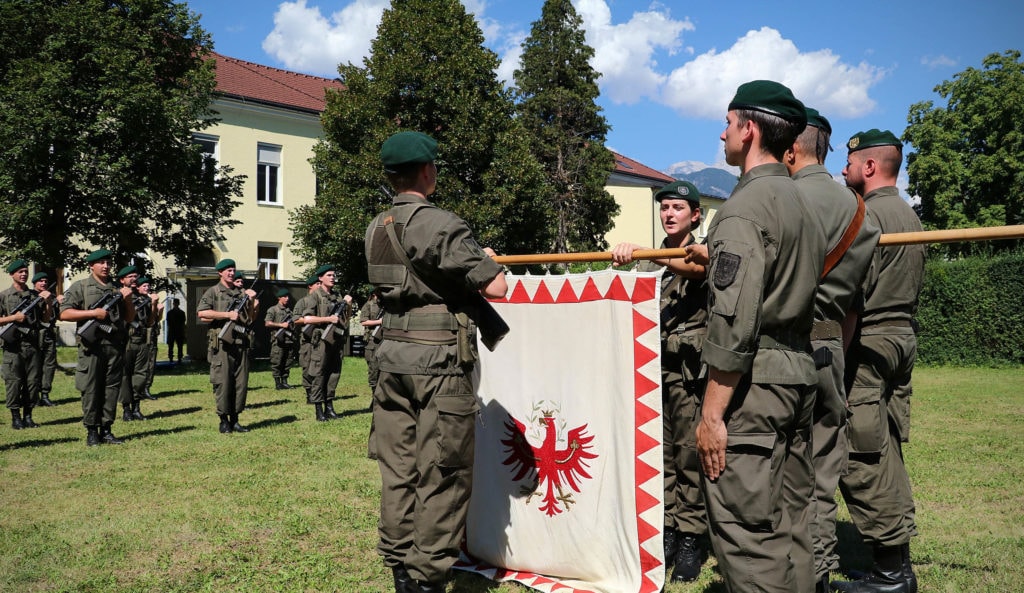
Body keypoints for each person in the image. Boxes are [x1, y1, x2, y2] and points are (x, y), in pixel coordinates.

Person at [694, 81, 825, 593]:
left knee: (749, 536)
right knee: (792, 527)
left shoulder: (743, 210)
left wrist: (710, 415)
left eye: (727, 123)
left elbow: (733, 321)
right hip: (797, 375)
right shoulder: (800, 202)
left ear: (748, 130)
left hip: (754, 386)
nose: (721, 132)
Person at [365, 131, 508, 593]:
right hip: (440, 363)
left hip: (391, 359)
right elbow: (496, 288)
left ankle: (400, 567)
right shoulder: (441, 224)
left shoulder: (376, 227)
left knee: (398, 468)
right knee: (443, 472)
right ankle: (428, 577)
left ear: (391, 176)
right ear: (428, 172)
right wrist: (485, 261)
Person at [784, 110, 882, 593]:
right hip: (830, 346)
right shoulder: (859, 211)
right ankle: (819, 572)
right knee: (823, 472)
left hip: (779, 347)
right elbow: (852, 310)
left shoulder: (778, 198)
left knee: (776, 467)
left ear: (792, 147)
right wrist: (832, 353)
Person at [832, 130, 925, 593]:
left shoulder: (866, 215)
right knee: (887, 447)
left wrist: (834, 357)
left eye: (850, 162)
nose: (843, 169)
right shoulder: (908, 212)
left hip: (868, 341)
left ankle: (891, 575)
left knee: (863, 452)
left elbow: (850, 298)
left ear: (869, 167)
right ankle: (895, 562)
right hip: (901, 336)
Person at [612, 180, 710, 583]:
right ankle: (666, 530)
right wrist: (627, 258)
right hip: (652, 371)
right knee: (660, 457)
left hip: (689, 373)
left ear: (695, 216)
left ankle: (692, 537)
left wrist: (649, 253)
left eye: (678, 208)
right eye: (664, 208)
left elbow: (698, 270)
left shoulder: (703, 251)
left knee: (690, 457)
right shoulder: (649, 263)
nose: (669, 214)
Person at [60, 249, 136, 446]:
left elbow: (129, 318)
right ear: (91, 266)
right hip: (92, 348)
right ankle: (92, 431)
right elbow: (65, 314)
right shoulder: (81, 287)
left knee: (111, 389)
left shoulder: (116, 289)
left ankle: (107, 429)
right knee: (91, 389)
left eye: (108, 262)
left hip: (114, 347)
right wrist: (92, 313)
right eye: (101, 262)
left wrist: (127, 299)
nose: (106, 266)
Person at [197, 259, 257, 434]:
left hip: (240, 342)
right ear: (220, 273)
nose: (231, 273)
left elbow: (249, 318)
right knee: (223, 382)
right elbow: (202, 313)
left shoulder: (242, 293)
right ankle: (223, 420)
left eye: (233, 270)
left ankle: (236, 419)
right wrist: (226, 314)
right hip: (222, 345)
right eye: (228, 270)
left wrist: (252, 301)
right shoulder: (213, 292)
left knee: (241, 382)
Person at [294, 264, 352, 421]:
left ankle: (330, 407)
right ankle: (319, 409)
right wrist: (327, 319)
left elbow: (346, 318)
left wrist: (348, 304)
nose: (333, 277)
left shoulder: (337, 296)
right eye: (329, 275)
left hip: (336, 340)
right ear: (320, 278)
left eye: (334, 275)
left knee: (334, 373)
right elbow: (306, 319)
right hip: (321, 341)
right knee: (319, 374)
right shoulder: (315, 296)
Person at [1, 259, 52, 430]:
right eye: (20, 272)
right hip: (13, 347)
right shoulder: (4, 296)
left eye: (25, 271)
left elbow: (45, 319)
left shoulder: (33, 296)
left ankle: (28, 416)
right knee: (13, 383)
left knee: (32, 383)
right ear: (12, 274)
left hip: (32, 345)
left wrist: (48, 302)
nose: (23, 274)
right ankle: (16, 417)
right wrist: (13, 318)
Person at [116, 265, 151, 421]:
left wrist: (155, 305)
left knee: (140, 375)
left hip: (142, 340)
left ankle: (136, 407)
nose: (134, 279)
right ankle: (126, 409)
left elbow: (150, 321)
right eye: (130, 276)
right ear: (122, 280)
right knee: (125, 376)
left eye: (135, 276)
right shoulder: (117, 296)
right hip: (126, 340)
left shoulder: (144, 298)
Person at [32, 271, 61, 407]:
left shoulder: (52, 297)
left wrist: (57, 302)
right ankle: (33, 395)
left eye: (45, 281)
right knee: (34, 366)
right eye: (40, 281)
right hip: (34, 335)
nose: (43, 283)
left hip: (49, 335)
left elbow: (57, 316)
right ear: (34, 283)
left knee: (49, 365)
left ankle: (45, 394)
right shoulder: (30, 297)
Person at [293, 275, 321, 404]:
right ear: (310, 286)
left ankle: (318, 393)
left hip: (320, 339)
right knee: (307, 367)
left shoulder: (322, 300)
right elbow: (296, 319)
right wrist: (310, 320)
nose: (320, 286)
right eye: (317, 284)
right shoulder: (303, 302)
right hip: (307, 340)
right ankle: (309, 393)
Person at [264, 288, 296, 390]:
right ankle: (278, 383)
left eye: (288, 296)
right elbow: (267, 323)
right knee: (277, 361)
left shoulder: (289, 311)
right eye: (285, 297)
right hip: (278, 340)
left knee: (287, 361)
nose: (287, 298)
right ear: (279, 298)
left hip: (288, 339)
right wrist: (280, 325)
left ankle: (285, 381)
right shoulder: (273, 309)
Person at [138, 277, 162, 400]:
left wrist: (160, 309)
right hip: (141, 336)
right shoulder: (137, 301)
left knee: (151, 363)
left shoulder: (150, 299)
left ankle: (147, 387)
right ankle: (138, 389)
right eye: (144, 286)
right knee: (141, 364)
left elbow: (156, 320)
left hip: (151, 336)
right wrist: (153, 305)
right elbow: (147, 320)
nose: (147, 288)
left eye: (148, 286)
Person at [359, 289, 383, 393]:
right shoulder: (368, 305)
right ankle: (374, 396)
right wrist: (379, 321)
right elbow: (364, 322)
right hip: (373, 340)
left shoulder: (386, 305)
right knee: (374, 368)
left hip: (384, 339)